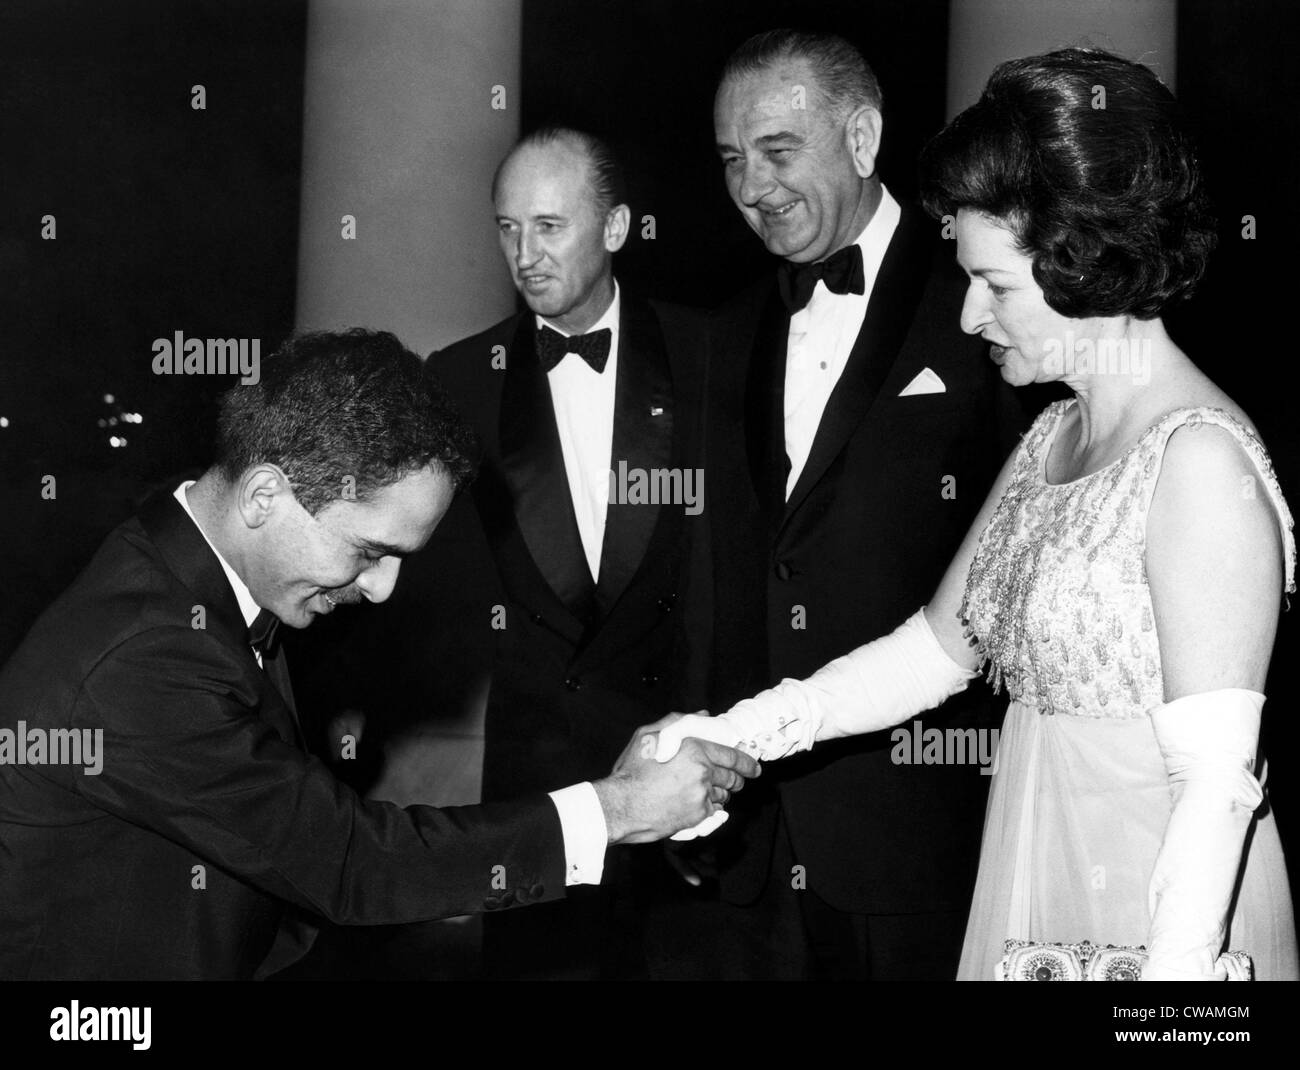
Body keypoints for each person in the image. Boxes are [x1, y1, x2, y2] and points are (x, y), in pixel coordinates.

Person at [659, 47, 1298, 981]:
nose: (967, 317)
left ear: (1086, 262)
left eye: (995, 285)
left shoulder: (1199, 461)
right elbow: (927, 654)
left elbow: (1212, 790)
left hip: (1160, 913)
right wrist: (735, 732)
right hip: (1038, 875)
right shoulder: (1050, 439)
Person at [0, 328, 757, 981]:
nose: (383, 588)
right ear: (264, 497)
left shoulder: (190, 565)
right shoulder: (140, 657)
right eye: (368, 551)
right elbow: (354, 862)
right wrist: (618, 809)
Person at [660, 29, 1025, 980]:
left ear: (862, 138)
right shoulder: (727, 328)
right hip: (748, 835)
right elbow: (709, 574)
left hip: (923, 831)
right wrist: (694, 779)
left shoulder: (986, 302)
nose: (752, 187)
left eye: (778, 151)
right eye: (732, 160)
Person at [424, 130, 711, 979]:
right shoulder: (461, 377)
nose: (524, 254)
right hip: (536, 789)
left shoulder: (708, 354)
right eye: (508, 228)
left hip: (684, 767)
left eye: (549, 226)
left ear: (616, 227)